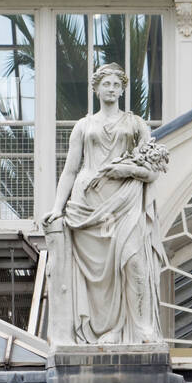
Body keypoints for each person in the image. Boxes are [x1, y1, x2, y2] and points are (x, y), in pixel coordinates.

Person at [43, 63, 168, 344]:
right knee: (97, 278)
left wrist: (127, 171)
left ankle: (141, 328)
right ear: (96, 89)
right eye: (106, 84)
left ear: (122, 89)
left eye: (116, 85)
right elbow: (70, 170)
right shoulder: (83, 126)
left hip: (126, 201)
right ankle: (104, 331)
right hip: (86, 205)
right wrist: (56, 208)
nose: (111, 89)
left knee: (133, 261)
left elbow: (153, 171)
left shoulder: (136, 124)